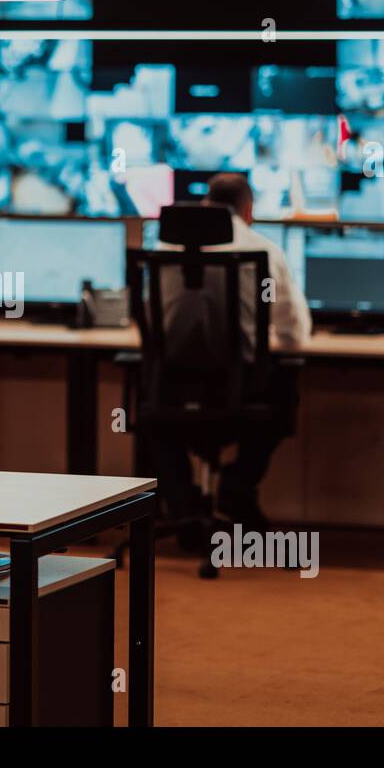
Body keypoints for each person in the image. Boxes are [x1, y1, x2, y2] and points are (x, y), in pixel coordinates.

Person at [152, 173, 312, 533]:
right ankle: (237, 487)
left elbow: (149, 317)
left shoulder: (163, 249)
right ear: (248, 209)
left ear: (206, 202)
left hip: (172, 395)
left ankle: (181, 507)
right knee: (287, 381)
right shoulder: (265, 250)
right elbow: (295, 334)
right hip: (242, 395)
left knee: (148, 401)